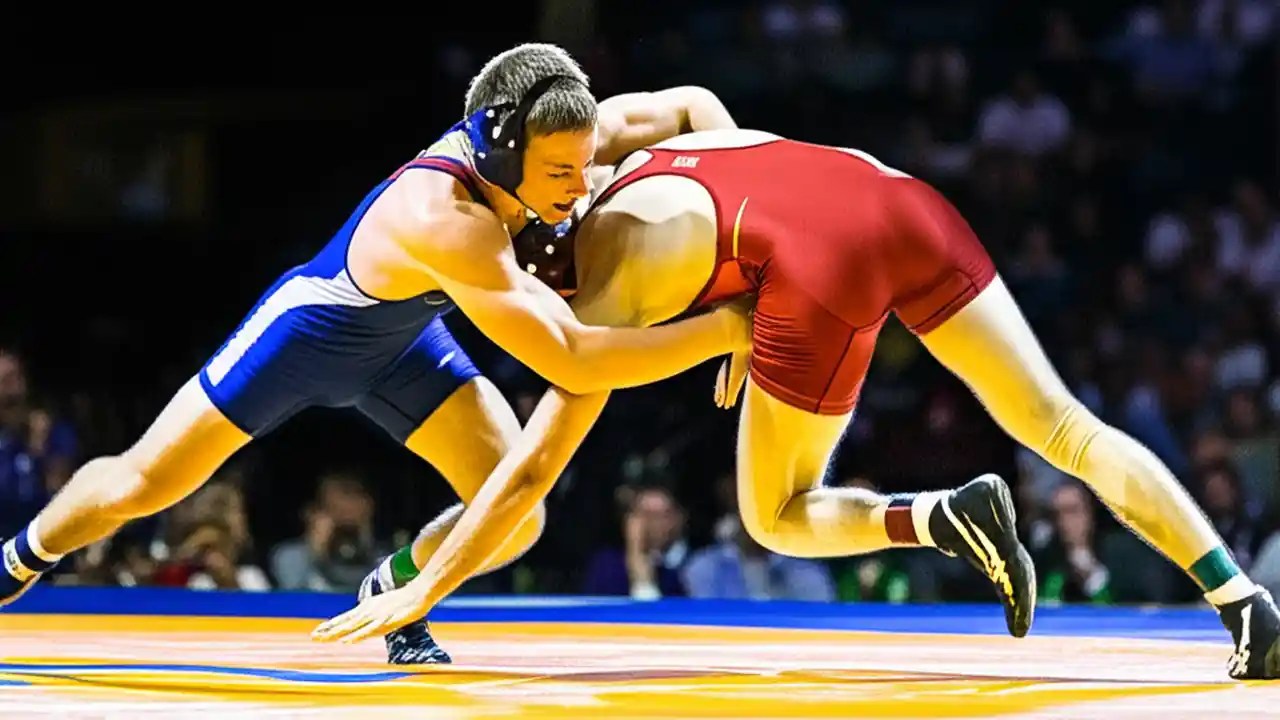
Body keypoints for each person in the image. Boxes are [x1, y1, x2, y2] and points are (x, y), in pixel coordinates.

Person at [314, 127, 1280, 680]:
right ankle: (1243, 603)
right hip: (898, 196)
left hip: (818, 276)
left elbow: (532, 473)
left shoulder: (599, 296)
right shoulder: (658, 138)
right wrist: (741, 282)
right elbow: (711, 112)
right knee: (1066, 424)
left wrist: (422, 588)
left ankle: (936, 517)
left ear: (545, 270)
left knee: (772, 518)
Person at [0, 43, 750, 666]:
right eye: (558, 173)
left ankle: (394, 594)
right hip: (308, 334)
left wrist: (738, 257)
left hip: (406, 343)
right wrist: (727, 328)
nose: (575, 185)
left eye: (582, 165)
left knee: (516, 518)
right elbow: (573, 361)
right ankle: (19, 559)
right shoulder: (444, 217)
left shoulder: (560, 135)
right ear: (498, 142)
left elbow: (694, 109)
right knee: (142, 483)